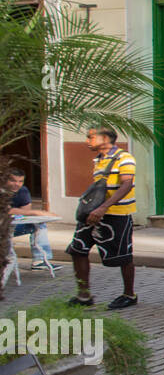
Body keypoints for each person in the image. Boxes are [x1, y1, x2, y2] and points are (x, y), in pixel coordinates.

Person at [67, 127, 138, 309]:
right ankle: (84, 295)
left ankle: (129, 294)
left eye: (91, 137)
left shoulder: (125, 158)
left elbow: (127, 184)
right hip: (93, 214)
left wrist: (104, 207)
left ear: (105, 138)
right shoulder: (99, 159)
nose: (87, 141)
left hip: (116, 215)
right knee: (78, 249)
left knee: (123, 256)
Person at [7, 168, 59, 275]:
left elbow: (25, 212)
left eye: (20, 181)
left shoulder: (23, 191)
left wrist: (32, 213)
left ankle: (39, 261)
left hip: (13, 226)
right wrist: (37, 212)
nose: (17, 184)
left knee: (39, 226)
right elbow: (6, 210)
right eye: (13, 180)